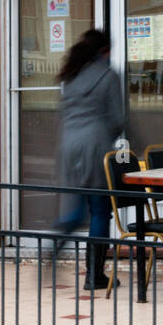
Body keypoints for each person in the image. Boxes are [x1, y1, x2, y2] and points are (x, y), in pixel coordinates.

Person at [53, 28, 125, 290]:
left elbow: (62, 113)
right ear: (103, 51)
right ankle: (94, 274)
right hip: (95, 146)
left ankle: (55, 244)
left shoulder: (70, 76)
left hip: (68, 146)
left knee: (75, 206)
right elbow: (118, 120)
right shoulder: (109, 75)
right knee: (99, 210)